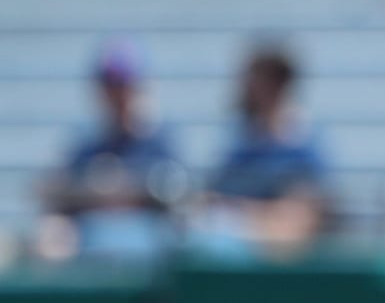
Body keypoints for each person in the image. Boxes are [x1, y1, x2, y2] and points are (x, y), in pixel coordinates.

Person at [35, 37, 184, 261]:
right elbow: (53, 192)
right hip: (90, 246)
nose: (117, 95)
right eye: (110, 86)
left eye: (124, 85)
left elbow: (176, 197)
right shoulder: (85, 144)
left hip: (147, 250)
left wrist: (115, 189)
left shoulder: (160, 142)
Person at [189, 42, 331, 260]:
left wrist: (253, 219)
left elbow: (301, 217)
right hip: (235, 239)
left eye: (258, 80)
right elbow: (213, 199)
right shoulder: (238, 142)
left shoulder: (305, 144)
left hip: (280, 249)